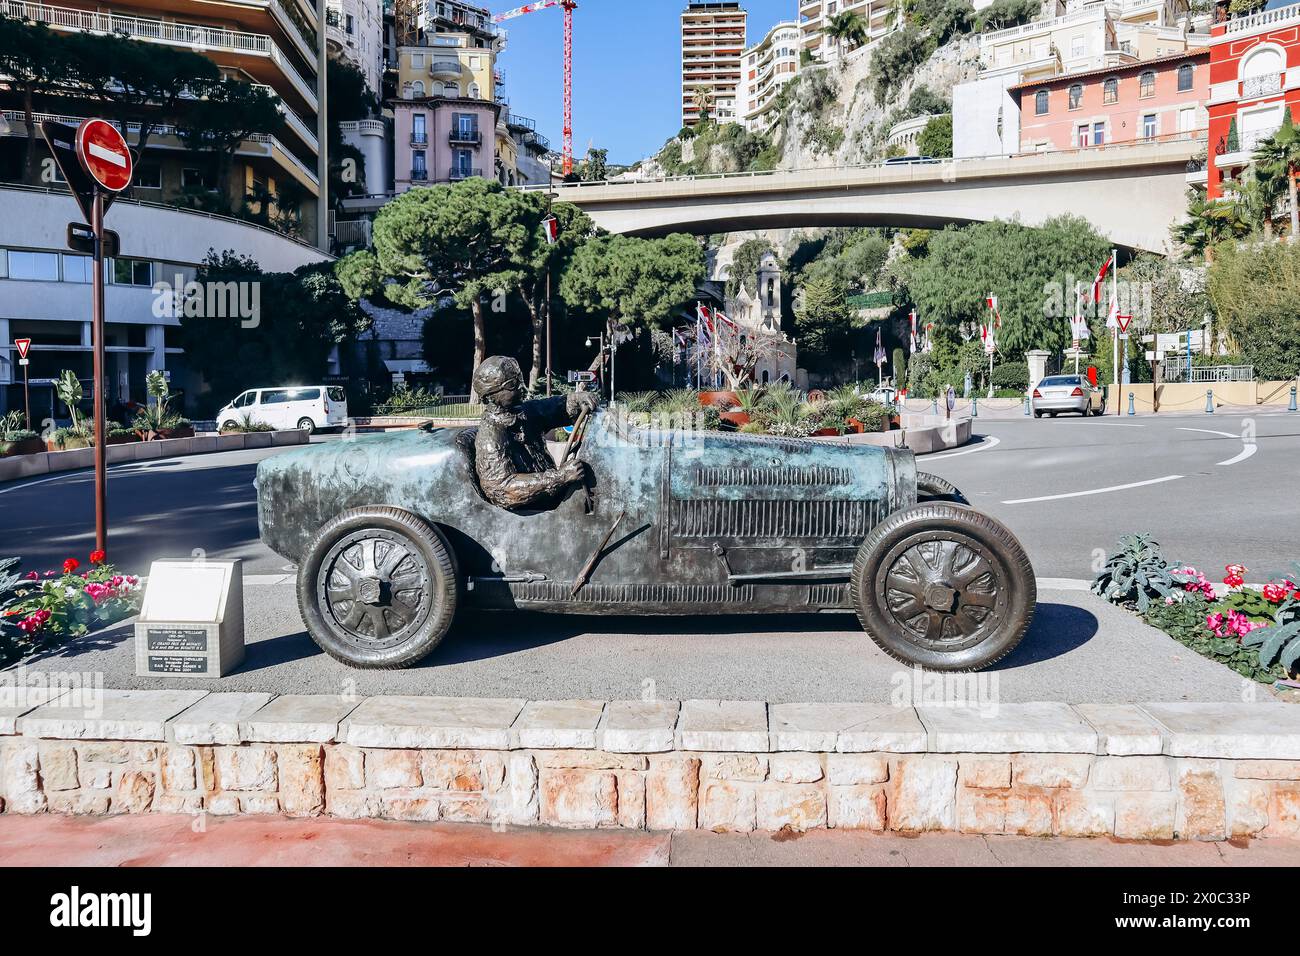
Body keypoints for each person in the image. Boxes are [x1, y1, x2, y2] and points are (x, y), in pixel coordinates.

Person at [471, 356, 599, 511]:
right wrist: (560, 477)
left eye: (519, 380)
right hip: (534, 515)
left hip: (554, 500)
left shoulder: (524, 412)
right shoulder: (491, 437)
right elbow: (503, 489)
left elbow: (555, 408)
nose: (521, 388)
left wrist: (577, 399)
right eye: (511, 385)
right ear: (490, 395)